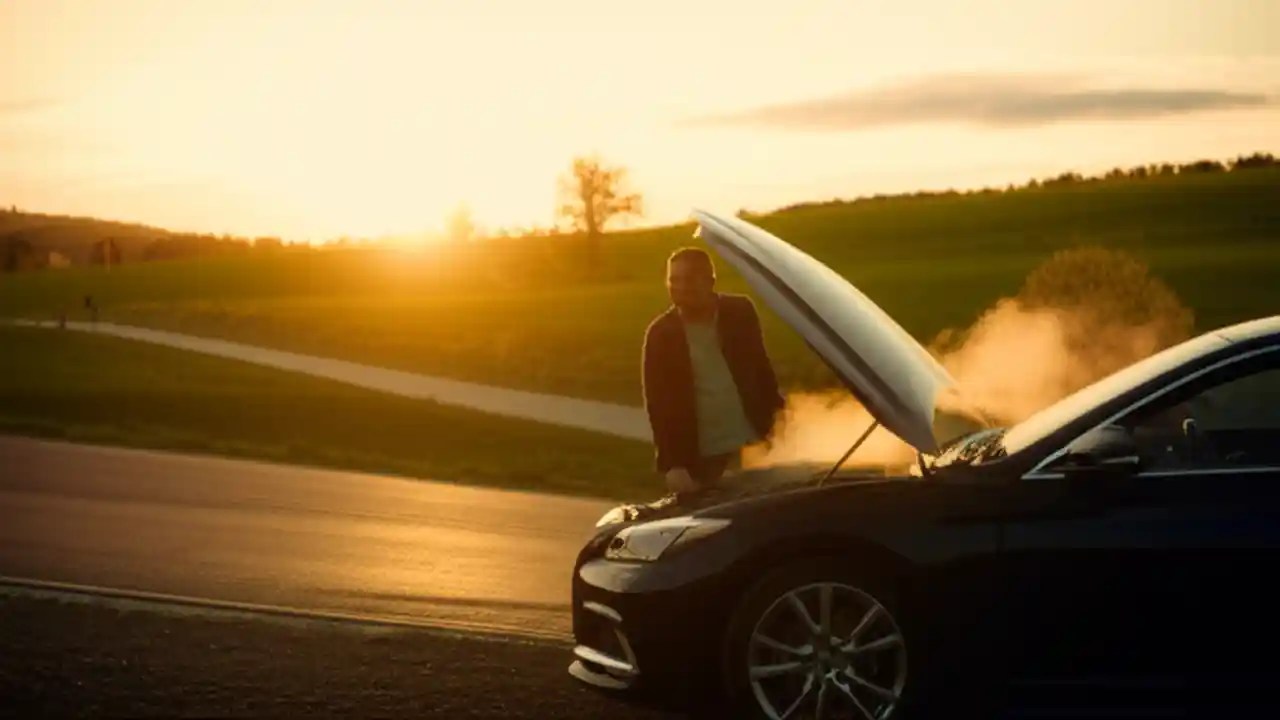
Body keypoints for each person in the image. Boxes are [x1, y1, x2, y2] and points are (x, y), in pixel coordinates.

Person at [642, 247, 785, 497]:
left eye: (688, 279)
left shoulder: (739, 312)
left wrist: (784, 428)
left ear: (709, 281)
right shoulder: (661, 334)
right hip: (704, 460)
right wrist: (672, 465)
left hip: (754, 446)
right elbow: (658, 405)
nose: (680, 287)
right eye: (673, 279)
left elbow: (763, 374)